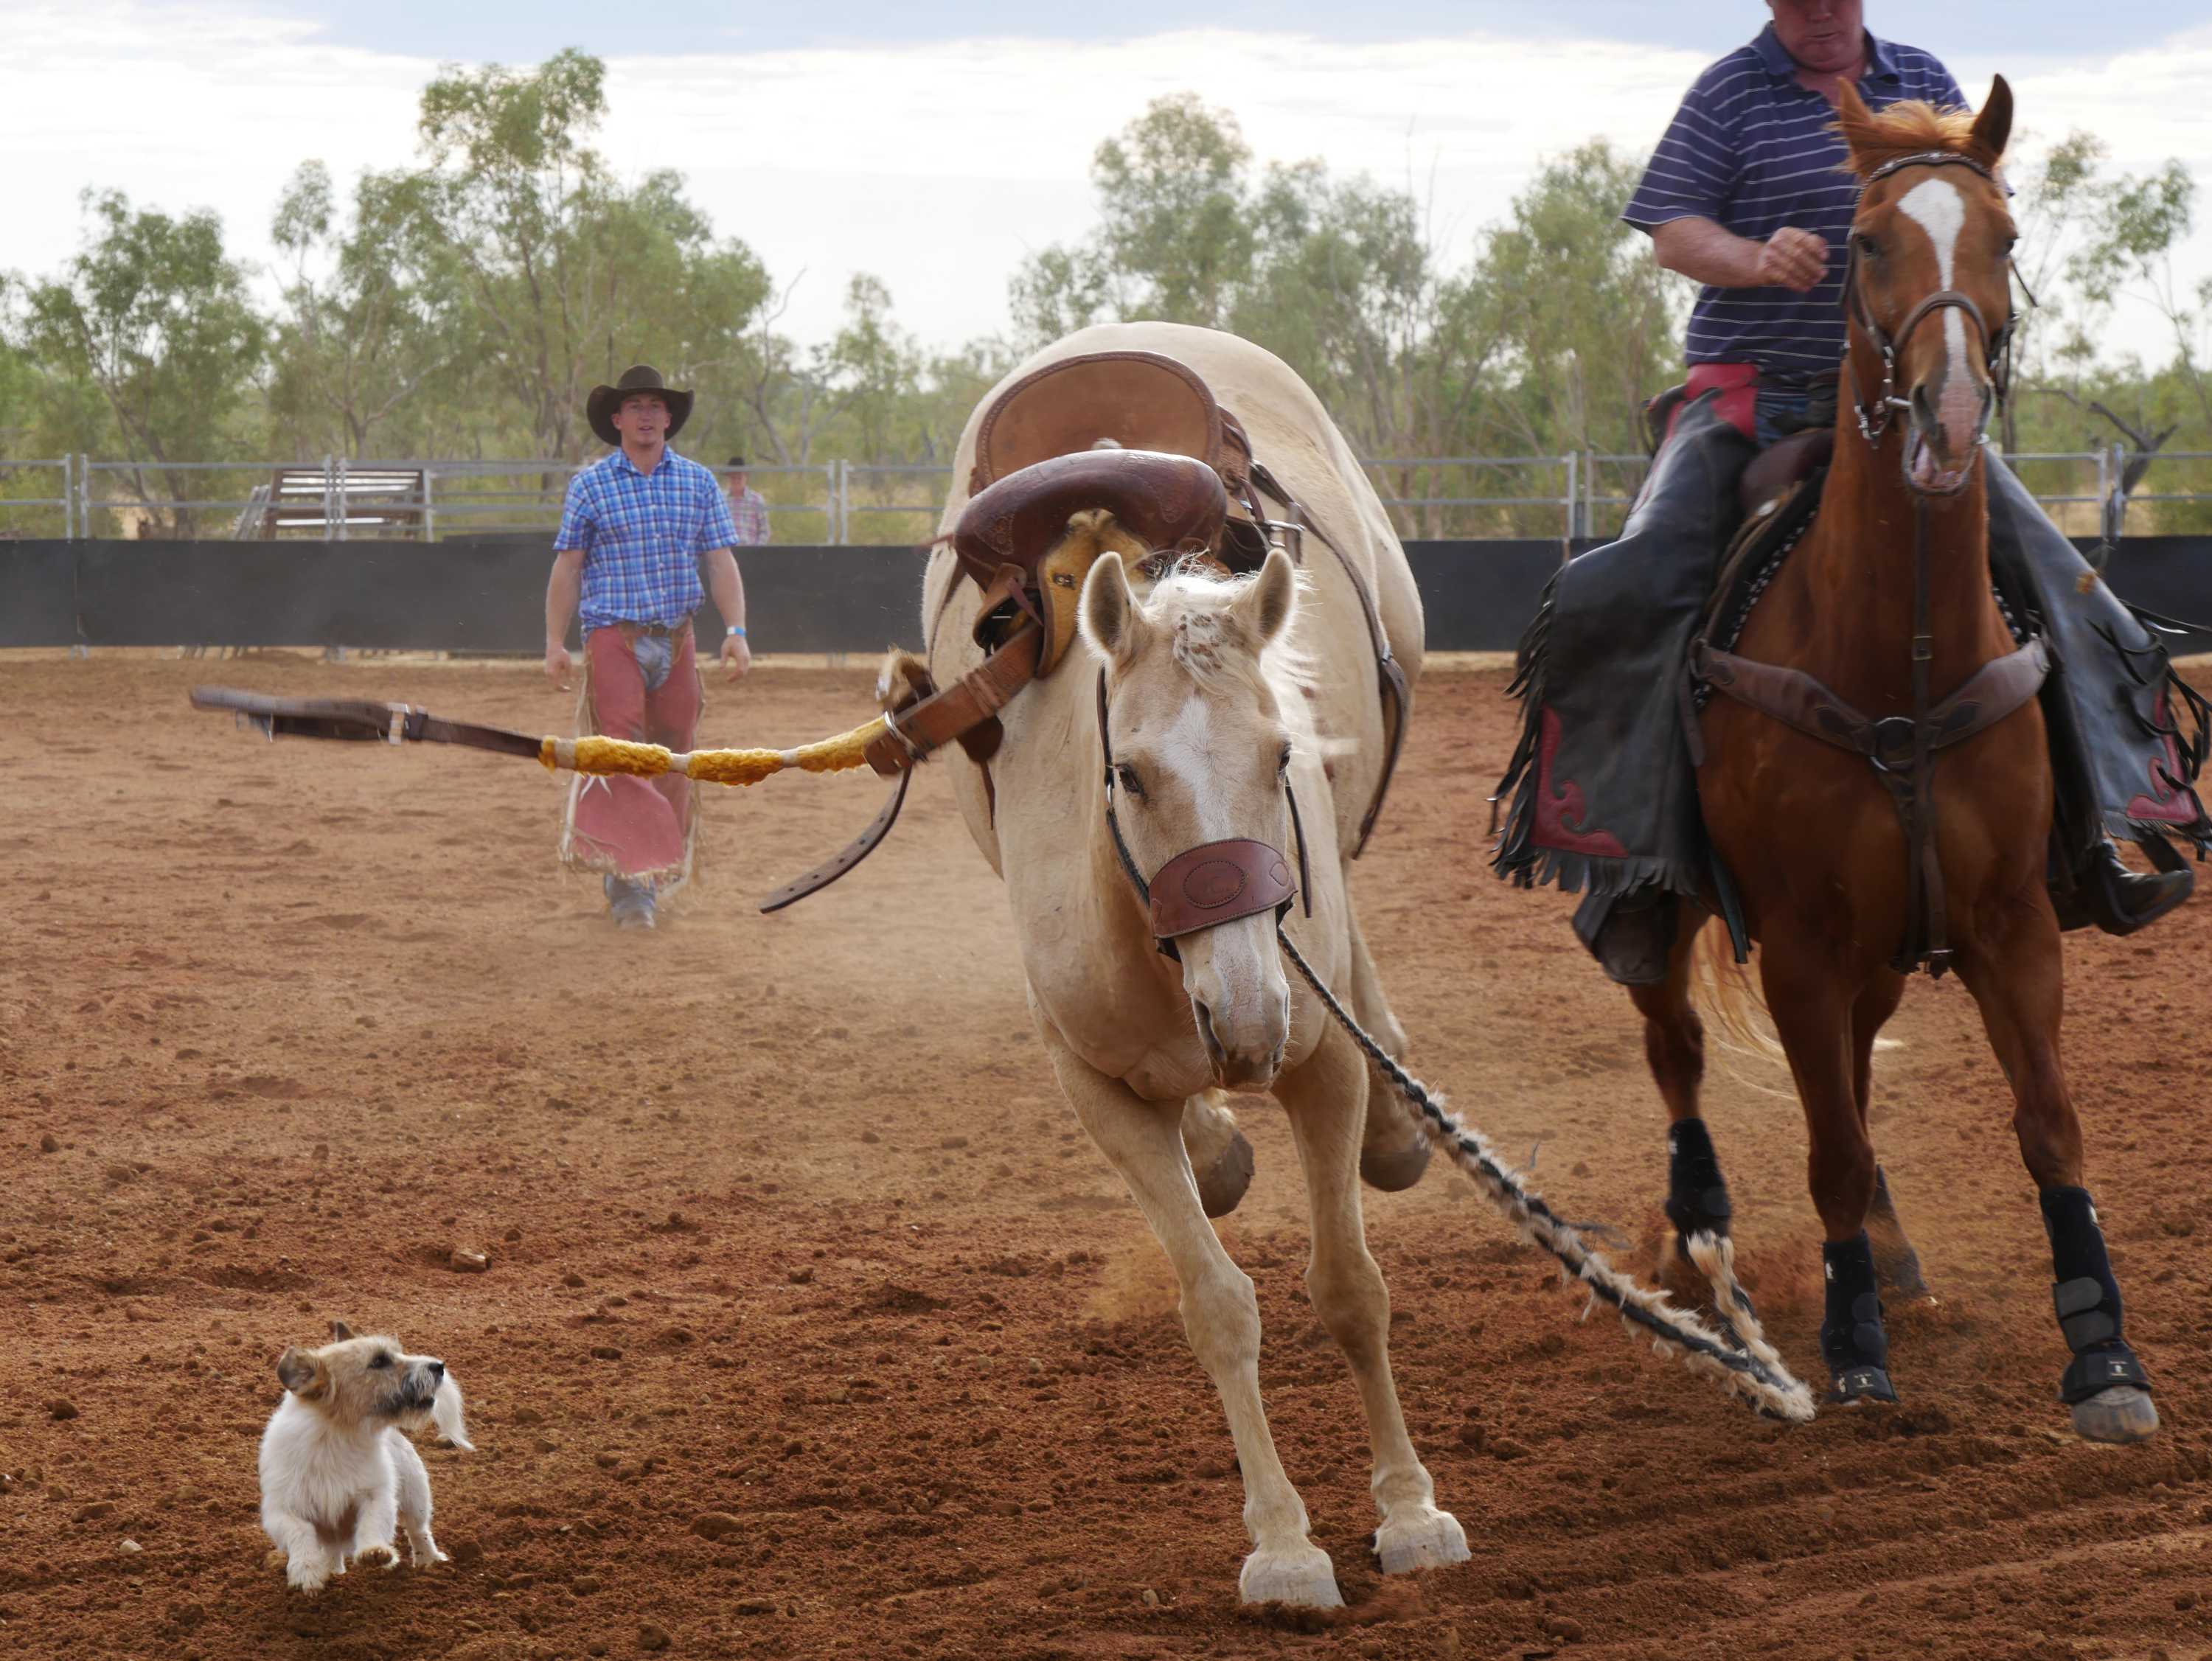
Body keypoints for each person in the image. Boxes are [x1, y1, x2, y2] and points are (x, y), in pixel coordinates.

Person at [1494, 1, 2205, 983]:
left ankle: (2095, 844)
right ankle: (1636, 874)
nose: (1821, 13)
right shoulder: (1728, 93)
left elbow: (1974, 210)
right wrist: (1752, 257)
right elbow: (1671, 232)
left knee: (2068, 588)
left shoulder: (1923, 78)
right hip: (1748, 396)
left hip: (1908, 402)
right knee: (1630, 583)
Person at [545, 364, 752, 930]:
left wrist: (735, 632)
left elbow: (719, 559)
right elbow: (568, 566)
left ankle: (653, 868)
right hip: (614, 635)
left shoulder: (697, 482)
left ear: (668, 418)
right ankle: (632, 884)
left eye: (655, 406)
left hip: (677, 636)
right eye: (634, 406)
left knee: (676, 754)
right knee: (622, 751)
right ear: (616, 420)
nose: (646, 415)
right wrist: (555, 642)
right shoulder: (590, 485)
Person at [724, 456, 771, 546]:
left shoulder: (756, 500)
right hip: (727, 551)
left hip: (750, 551)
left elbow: (765, 531)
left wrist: (756, 550)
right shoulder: (721, 500)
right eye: (733, 477)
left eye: (739, 477)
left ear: (746, 477)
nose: (736, 480)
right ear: (728, 477)